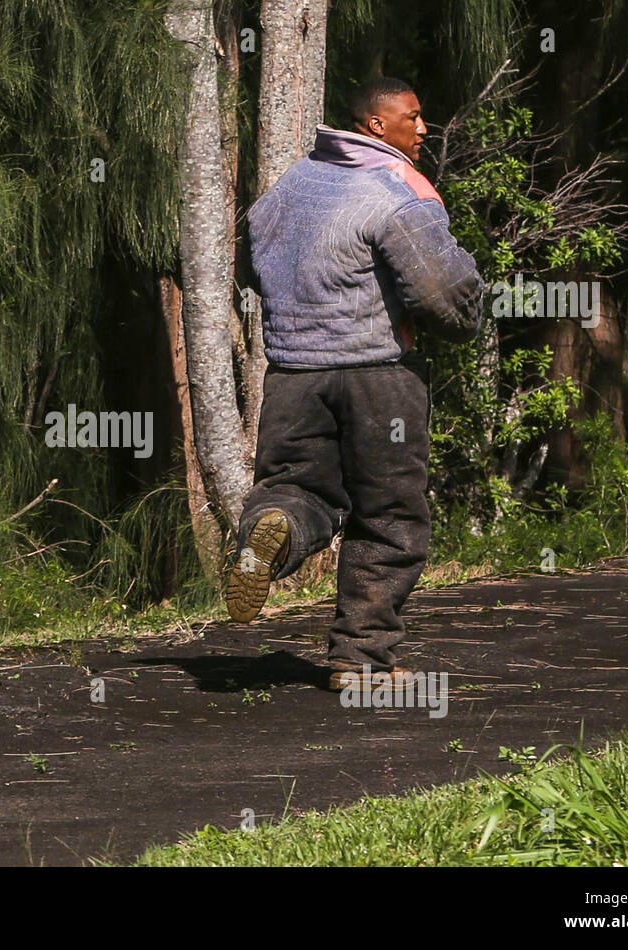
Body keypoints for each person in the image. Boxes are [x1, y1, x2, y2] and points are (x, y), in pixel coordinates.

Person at [225, 76, 484, 691]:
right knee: (389, 514)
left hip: (292, 375)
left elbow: (249, 264)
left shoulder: (287, 188)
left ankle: (278, 533)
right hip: (379, 378)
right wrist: (468, 317)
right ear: (376, 125)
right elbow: (443, 294)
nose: (423, 129)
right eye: (413, 118)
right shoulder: (394, 192)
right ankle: (362, 662)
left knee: (296, 487)